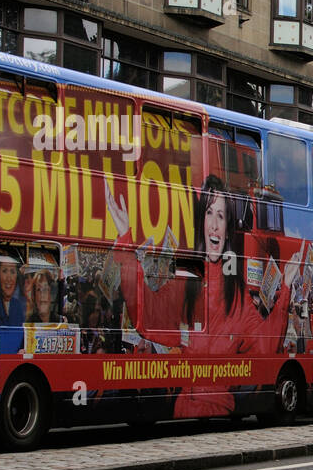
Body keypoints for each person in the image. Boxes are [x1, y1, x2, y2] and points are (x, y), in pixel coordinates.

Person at [111, 174, 289, 418]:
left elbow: (264, 345)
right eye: (208, 213)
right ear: (201, 222)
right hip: (182, 408)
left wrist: (286, 291)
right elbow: (147, 314)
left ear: (227, 231)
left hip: (219, 411)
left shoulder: (237, 299)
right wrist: (126, 244)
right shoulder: (185, 283)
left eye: (221, 215)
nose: (214, 224)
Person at [0, 246, 26, 353]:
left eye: (12, 272)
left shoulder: (18, 305)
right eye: (4, 271)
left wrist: (22, 349)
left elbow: (22, 335)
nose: (9, 278)